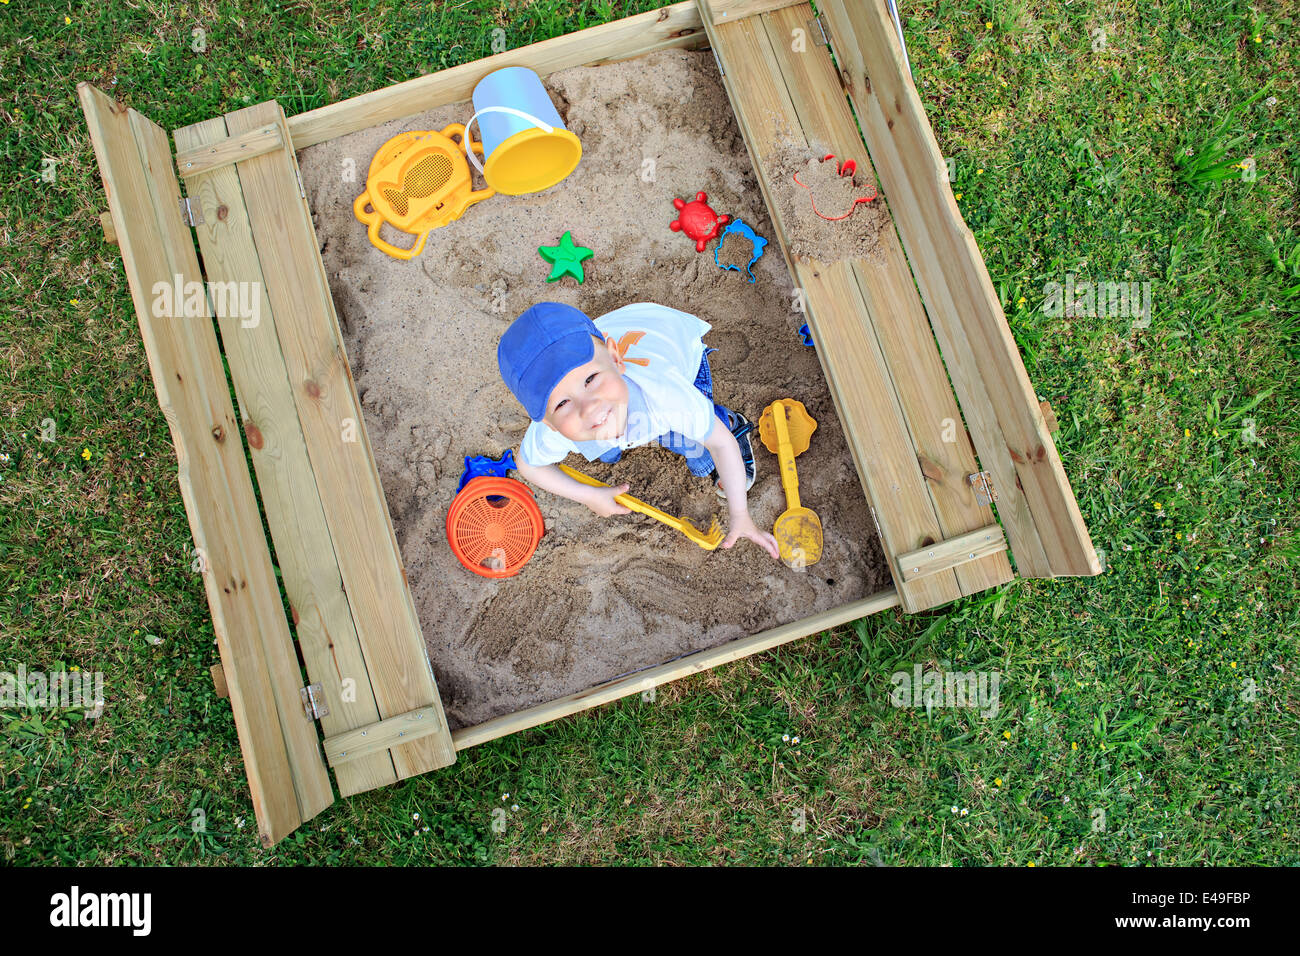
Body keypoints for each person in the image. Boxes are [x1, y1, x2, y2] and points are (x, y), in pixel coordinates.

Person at [498, 301, 779, 558]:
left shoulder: (667, 397)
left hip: (672, 347)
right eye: (562, 403)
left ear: (615, 359)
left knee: (698, 454)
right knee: (604, 447)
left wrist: (740, 514)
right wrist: (589, 495)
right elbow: (529, 465)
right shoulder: (556, 426)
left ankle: (732, 422)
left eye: (591, 379)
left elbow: (720, 444)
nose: (590, 407)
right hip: (611, 343)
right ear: (546, 423)